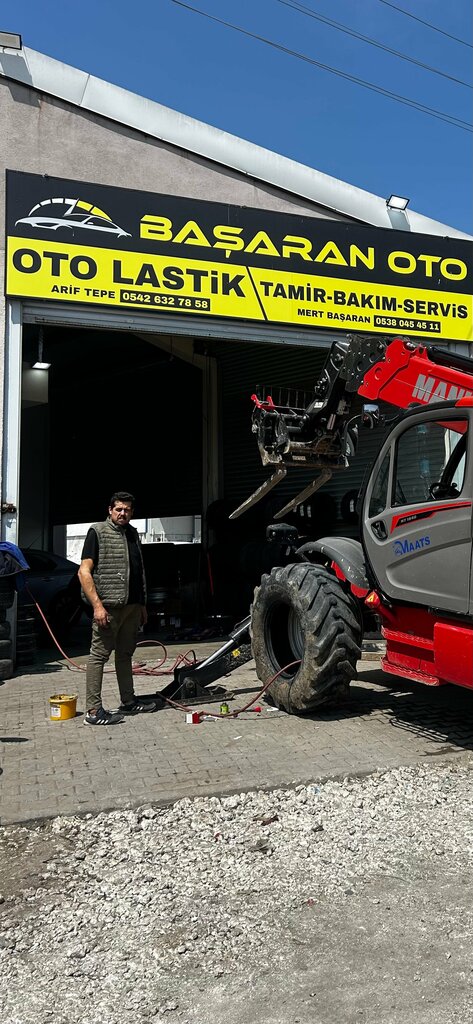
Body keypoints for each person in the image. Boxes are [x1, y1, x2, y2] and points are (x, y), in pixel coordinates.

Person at [79, 491, 156, 725]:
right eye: (119, 509)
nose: (123, 513)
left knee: (125, 654)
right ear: (110, 510)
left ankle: (129, 702)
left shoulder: (132, 534)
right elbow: (84, 572)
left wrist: (142, 604)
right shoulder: (97, 532)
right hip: (109, 608)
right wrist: (97, 606)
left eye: (127, 510)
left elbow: (139, 570)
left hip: (132, 607)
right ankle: (93, 711)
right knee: (98, 657)